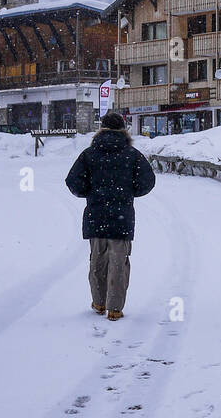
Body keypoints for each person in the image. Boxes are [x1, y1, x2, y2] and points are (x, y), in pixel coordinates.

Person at [65, 112, 156, 321]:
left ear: (102, 128)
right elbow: (148, 181)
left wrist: (90, 191)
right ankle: (114, 309)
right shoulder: (131, 154)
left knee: (97, 261)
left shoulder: (89, 154)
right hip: (121, 217)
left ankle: (99, 303)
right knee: (118, 264)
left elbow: (73, 181)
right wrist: (129, 191)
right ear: (123, 129)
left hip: (96, 215)